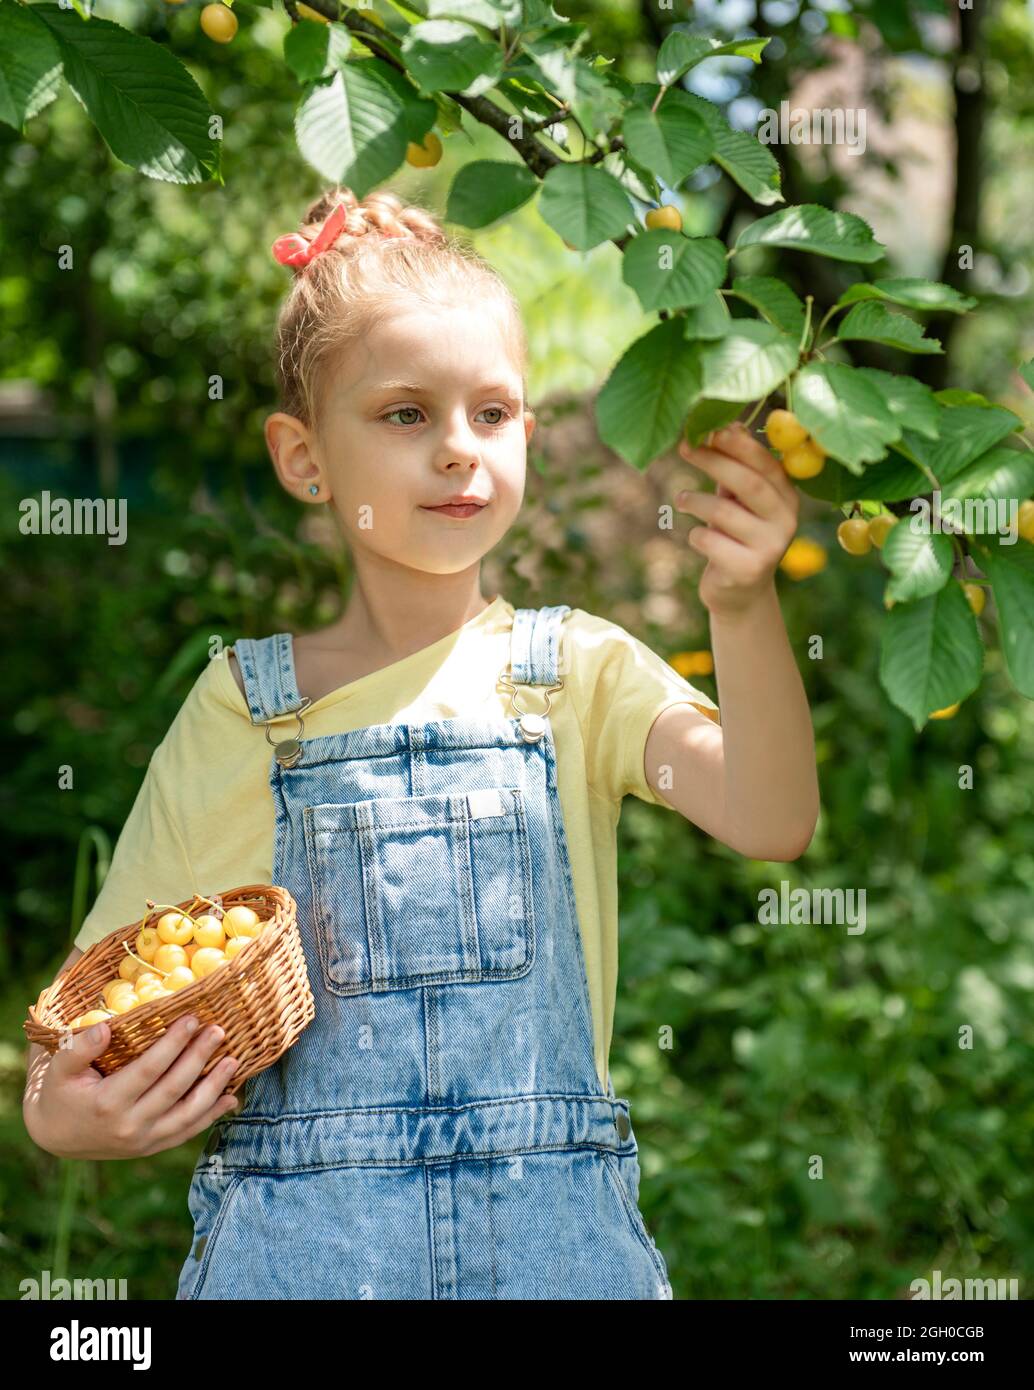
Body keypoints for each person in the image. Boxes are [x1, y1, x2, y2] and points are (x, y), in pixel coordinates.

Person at [23, 186, 819, 1299]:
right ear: (305, 460)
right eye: (405, 414)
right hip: (301, 1262)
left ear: (527, 437)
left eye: (491, 413)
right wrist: (64, 1113)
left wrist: (741, 608)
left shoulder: (573, 672)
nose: (458, 450)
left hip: (555, 1256)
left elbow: (770, 815)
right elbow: (92, 1013)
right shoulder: (249, 708)